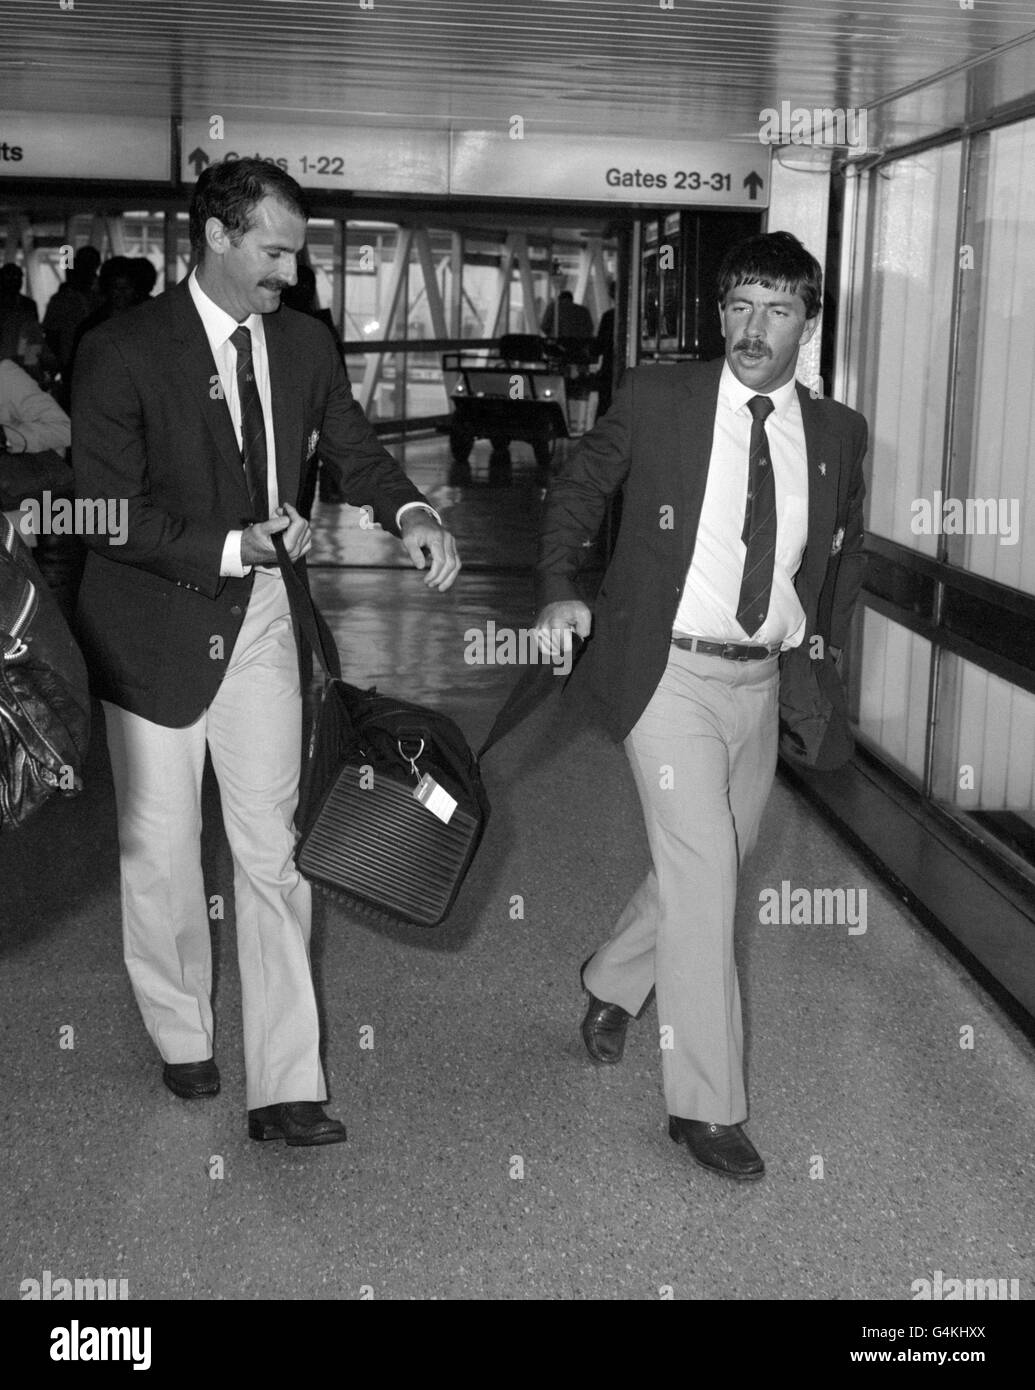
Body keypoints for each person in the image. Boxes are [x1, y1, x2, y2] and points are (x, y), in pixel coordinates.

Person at [72, 157, 460, 1148]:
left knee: (276, 852)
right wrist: (233, 542)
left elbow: (356, 448)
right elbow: (107, 509)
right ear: (215, 235)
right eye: (273, 249)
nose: (288, 270)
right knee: (159, 854)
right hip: (151, 632)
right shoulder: (122, 349)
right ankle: (183, 1029)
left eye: (294, 250)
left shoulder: (305, 344)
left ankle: (288, 1080)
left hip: (265, 628)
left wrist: (411, 510)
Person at [534, 231, 867, 1182]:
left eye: (774, 310)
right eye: (737, 307)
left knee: (706, 866)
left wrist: (820, 668)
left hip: (758, 683)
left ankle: (609, 980)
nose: (751, 329)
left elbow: (834, 565)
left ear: (809, 321)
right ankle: (704, 1108)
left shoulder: (837, 432)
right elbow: (578, 487)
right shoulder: (661, 399)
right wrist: (560, 584)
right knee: (708, 879)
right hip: (666, 675)